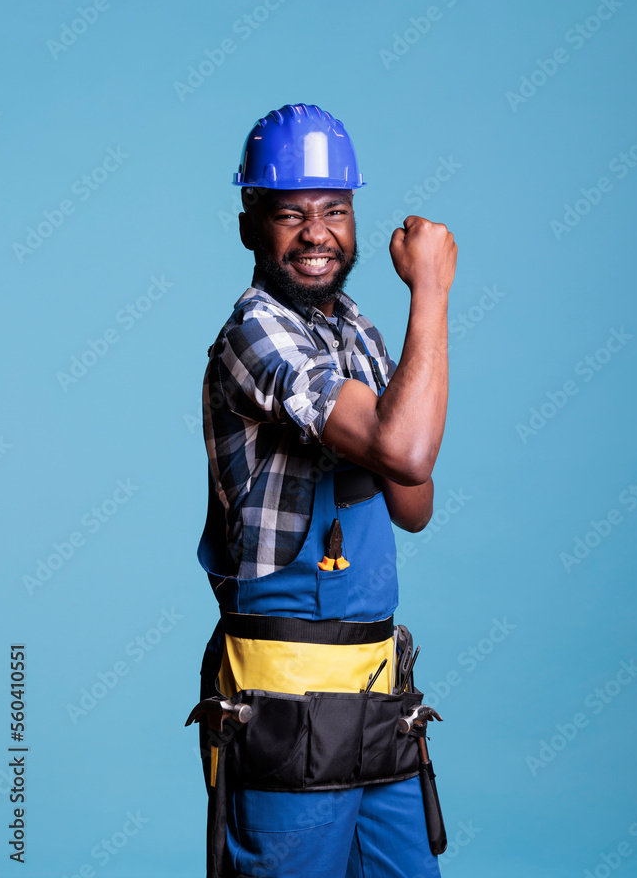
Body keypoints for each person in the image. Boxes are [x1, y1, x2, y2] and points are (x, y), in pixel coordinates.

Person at [192, 103, 457, 878]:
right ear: (250, 224)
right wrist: (432, 293)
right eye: (290, 213)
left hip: (378, 689)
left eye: (334, 211)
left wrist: (390, 420)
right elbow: (404, 449)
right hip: (283, 702)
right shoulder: (254, 332)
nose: (317, 234)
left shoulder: (359, 333)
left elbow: (412, 500)